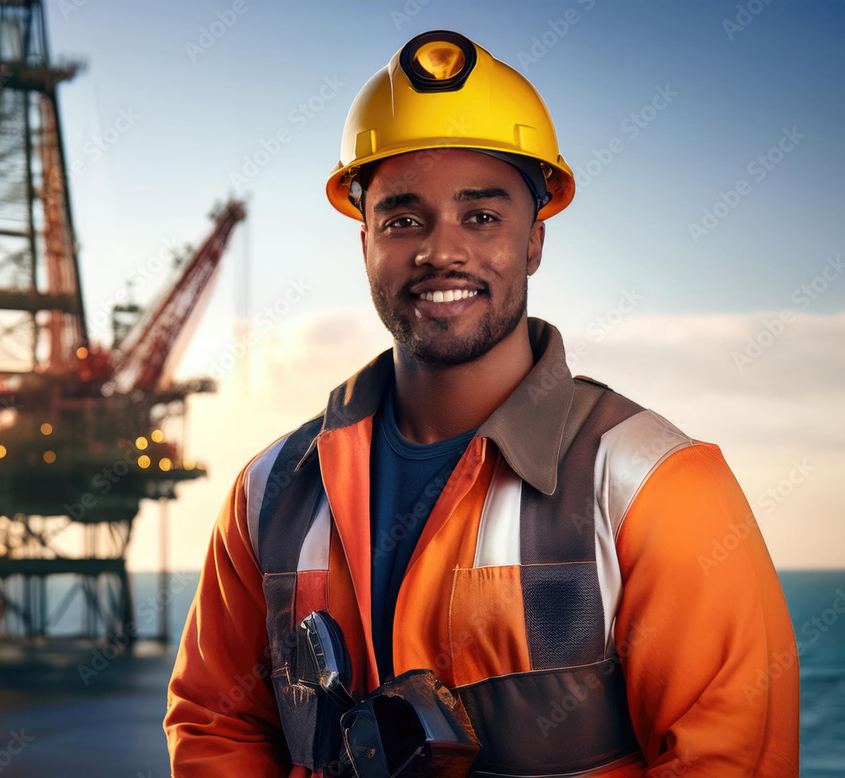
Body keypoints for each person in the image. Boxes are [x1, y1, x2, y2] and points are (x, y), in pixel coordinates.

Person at [164, 30, 799, 777]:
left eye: (482, 216)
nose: (441, 251)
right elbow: (215, 725)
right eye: (403, 219)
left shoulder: (657, 489)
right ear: (363, 241)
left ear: (535, 238)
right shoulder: (267, 496)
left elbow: (728, 758)